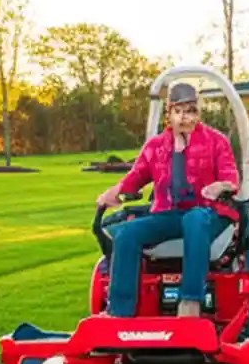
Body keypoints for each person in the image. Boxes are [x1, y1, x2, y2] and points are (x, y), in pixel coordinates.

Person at [96, 82, 239, 318]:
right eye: (179, 111)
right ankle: (119, 312)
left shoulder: (216, 142)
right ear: (169, 114)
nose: (185, 117)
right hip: (168, 213)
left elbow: (231, 179)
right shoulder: (155, 147)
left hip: (209, 213)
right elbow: (135, 178)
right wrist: (114, 193)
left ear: (198, 114)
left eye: (191, 110)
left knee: (194, 218)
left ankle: (191, 301)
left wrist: (220, 186)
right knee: (126, 233)